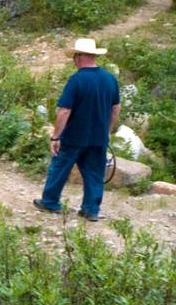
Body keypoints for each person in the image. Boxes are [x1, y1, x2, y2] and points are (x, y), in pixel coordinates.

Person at [34, 37, 121, 221]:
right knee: (94, 173)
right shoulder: (109, 79)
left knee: (59, 168)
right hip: (98, 137)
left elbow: (65, 111)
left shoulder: (76, 80)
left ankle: (50, 202)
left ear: (80, 57)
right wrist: (107, 131)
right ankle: (91, 210)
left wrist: (55, 137)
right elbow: (115, 108)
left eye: (75, 56)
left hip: (75, 135)